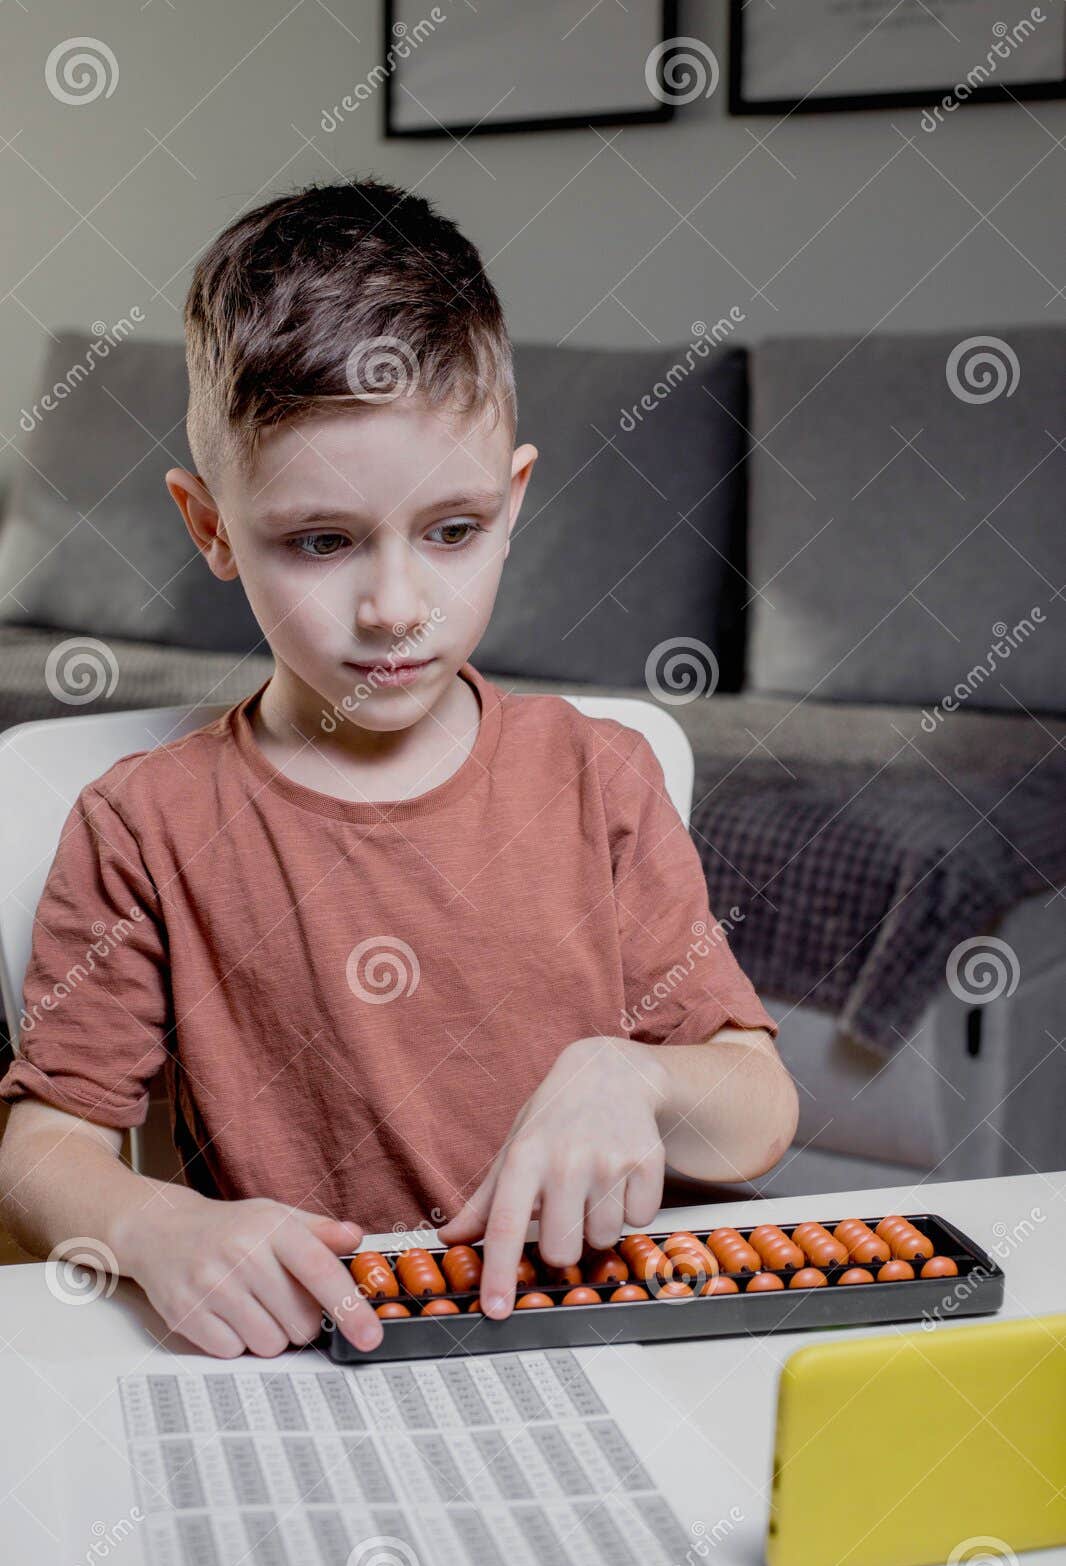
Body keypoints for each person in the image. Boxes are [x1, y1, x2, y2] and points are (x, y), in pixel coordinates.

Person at [0, 177, 797, 1358]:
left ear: (512, 502)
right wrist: (154, 1226)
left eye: (451, 531)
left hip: (602, 1353)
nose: (393, 608)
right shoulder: (144, 824)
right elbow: (43, 1150)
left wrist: (636, 1080)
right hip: (325, 1369)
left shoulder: (597, 779)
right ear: (211, 527)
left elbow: (758, 1110)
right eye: (320, 541)